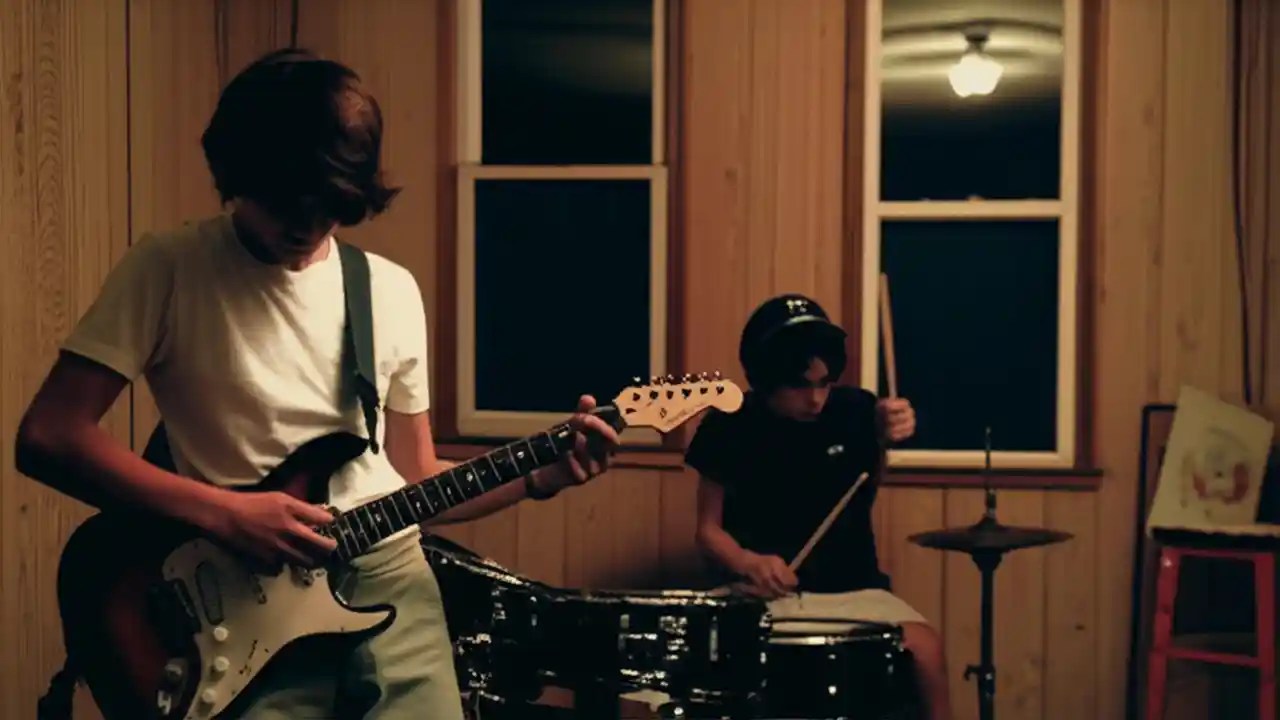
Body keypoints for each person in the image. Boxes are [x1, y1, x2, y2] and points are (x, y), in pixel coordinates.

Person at [13, 48, 618, 720]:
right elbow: (49, 435)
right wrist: (226, 513)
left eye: (330, 207)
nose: (305, 226)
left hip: (394, 584)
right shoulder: (169, 268)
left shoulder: (387, 290)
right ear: (235, 172)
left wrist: (541, 478)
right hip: (246, 604)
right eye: (285, 203)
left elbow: (414, 477)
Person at [685, 293, 952, 720]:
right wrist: (748, 561)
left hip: (855, 589)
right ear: (766, 378)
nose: (816, 399)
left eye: (824, 383)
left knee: (926, 650)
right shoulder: (727, 424)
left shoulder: (857, 411)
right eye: (800, 385)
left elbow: (882, 434)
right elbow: (707, 532)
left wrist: (891, 424)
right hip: (758, 593)